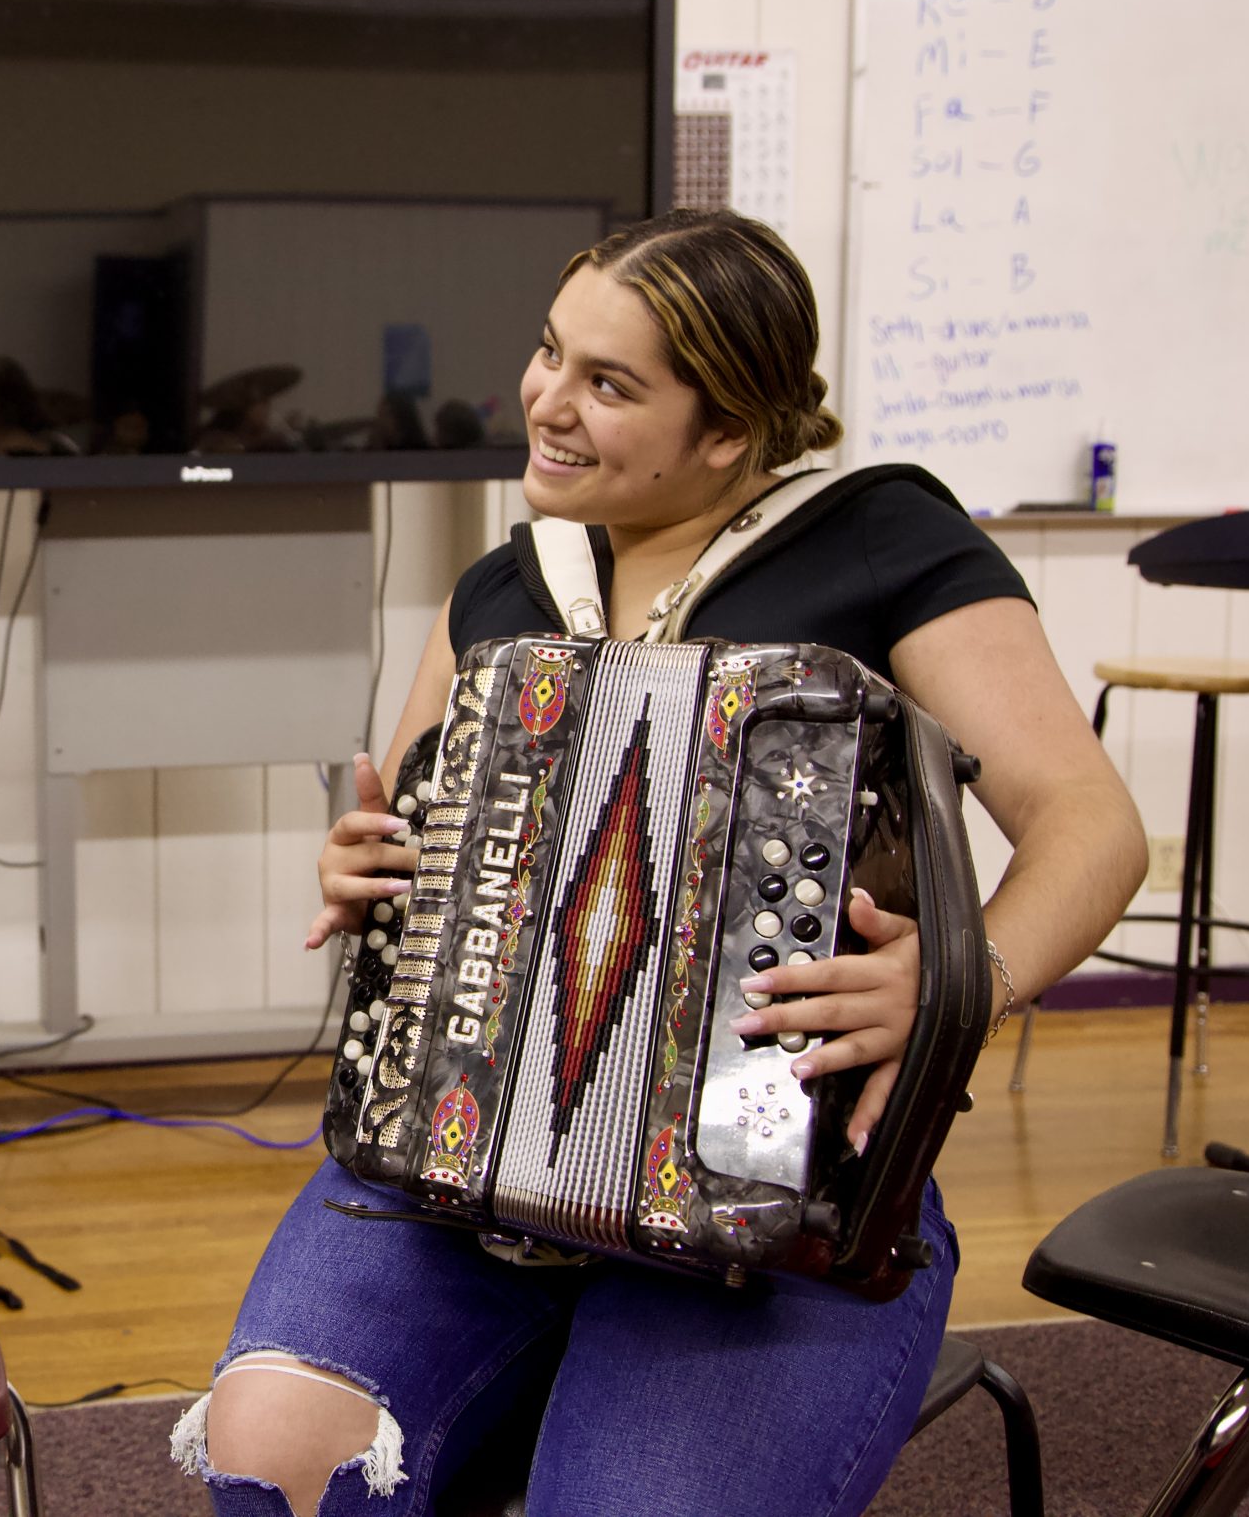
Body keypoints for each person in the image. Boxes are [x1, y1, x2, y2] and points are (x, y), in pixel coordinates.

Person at [172, 209, 1146, 1517]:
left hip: (773, 1203)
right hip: (459, 1183)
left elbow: (1093, 823)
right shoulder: (506, 587)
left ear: (729, 434)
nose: (546, 402)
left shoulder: (880, 543)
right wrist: (368, 873)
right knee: (272, 1454)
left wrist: (956, 978)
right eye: (548, 353)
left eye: (608, 385)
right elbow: (412, 846)